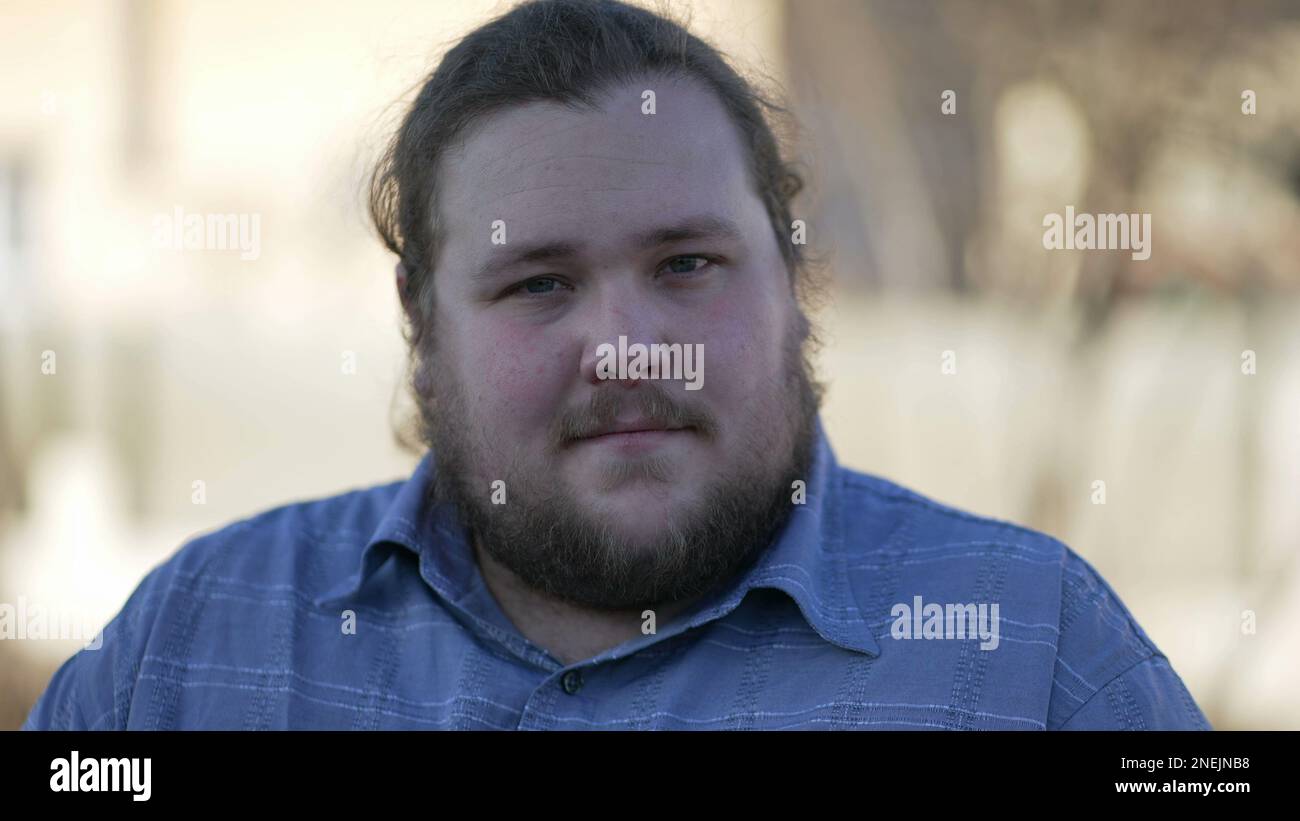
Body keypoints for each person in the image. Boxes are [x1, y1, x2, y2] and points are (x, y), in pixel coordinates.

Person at [24, 0, 1209, 730]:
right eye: (538, 282)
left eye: (686, 264)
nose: (628, 343)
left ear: (794, 286)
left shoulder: (1036, 653)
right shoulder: (193, 647)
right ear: (420, 328)